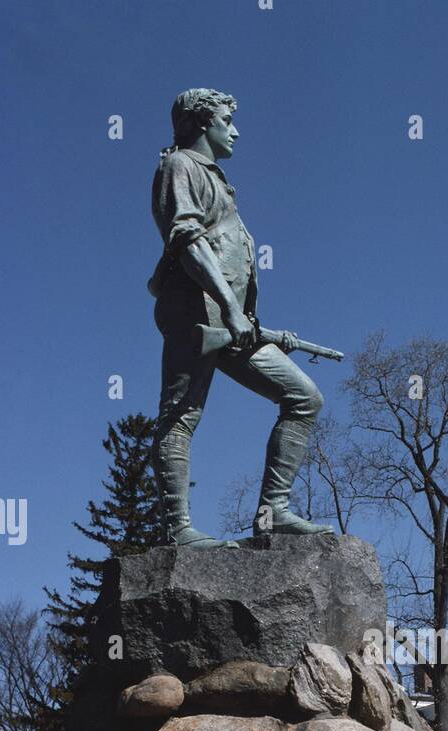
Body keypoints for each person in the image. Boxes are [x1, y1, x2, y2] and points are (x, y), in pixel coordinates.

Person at [149, 88, 334, 548]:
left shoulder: (219, 182)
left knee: (304, 397)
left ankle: (274, 512)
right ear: (201, 123)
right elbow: (186, 239)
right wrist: (231, 310)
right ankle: (179, 530)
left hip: (233, 325)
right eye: (226, 119)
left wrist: (250, 318)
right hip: (196, 318)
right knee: (180, 415)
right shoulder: (180, 166)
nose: (235, 129)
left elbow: (228, 260)